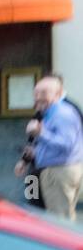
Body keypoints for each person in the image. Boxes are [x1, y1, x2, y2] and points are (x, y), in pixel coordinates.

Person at [24, 74, 83, 222]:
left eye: (44, 93)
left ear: (58, 94)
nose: (38, 97)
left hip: (58, 172)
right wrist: (26, 158)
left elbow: (67, 145)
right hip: (40, 169)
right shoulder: (46, 112)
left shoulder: (64, 113)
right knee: (39, 209)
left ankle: (62, 245)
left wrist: (41, 133)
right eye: (36, 93)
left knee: (59, 220)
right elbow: (40, 140)